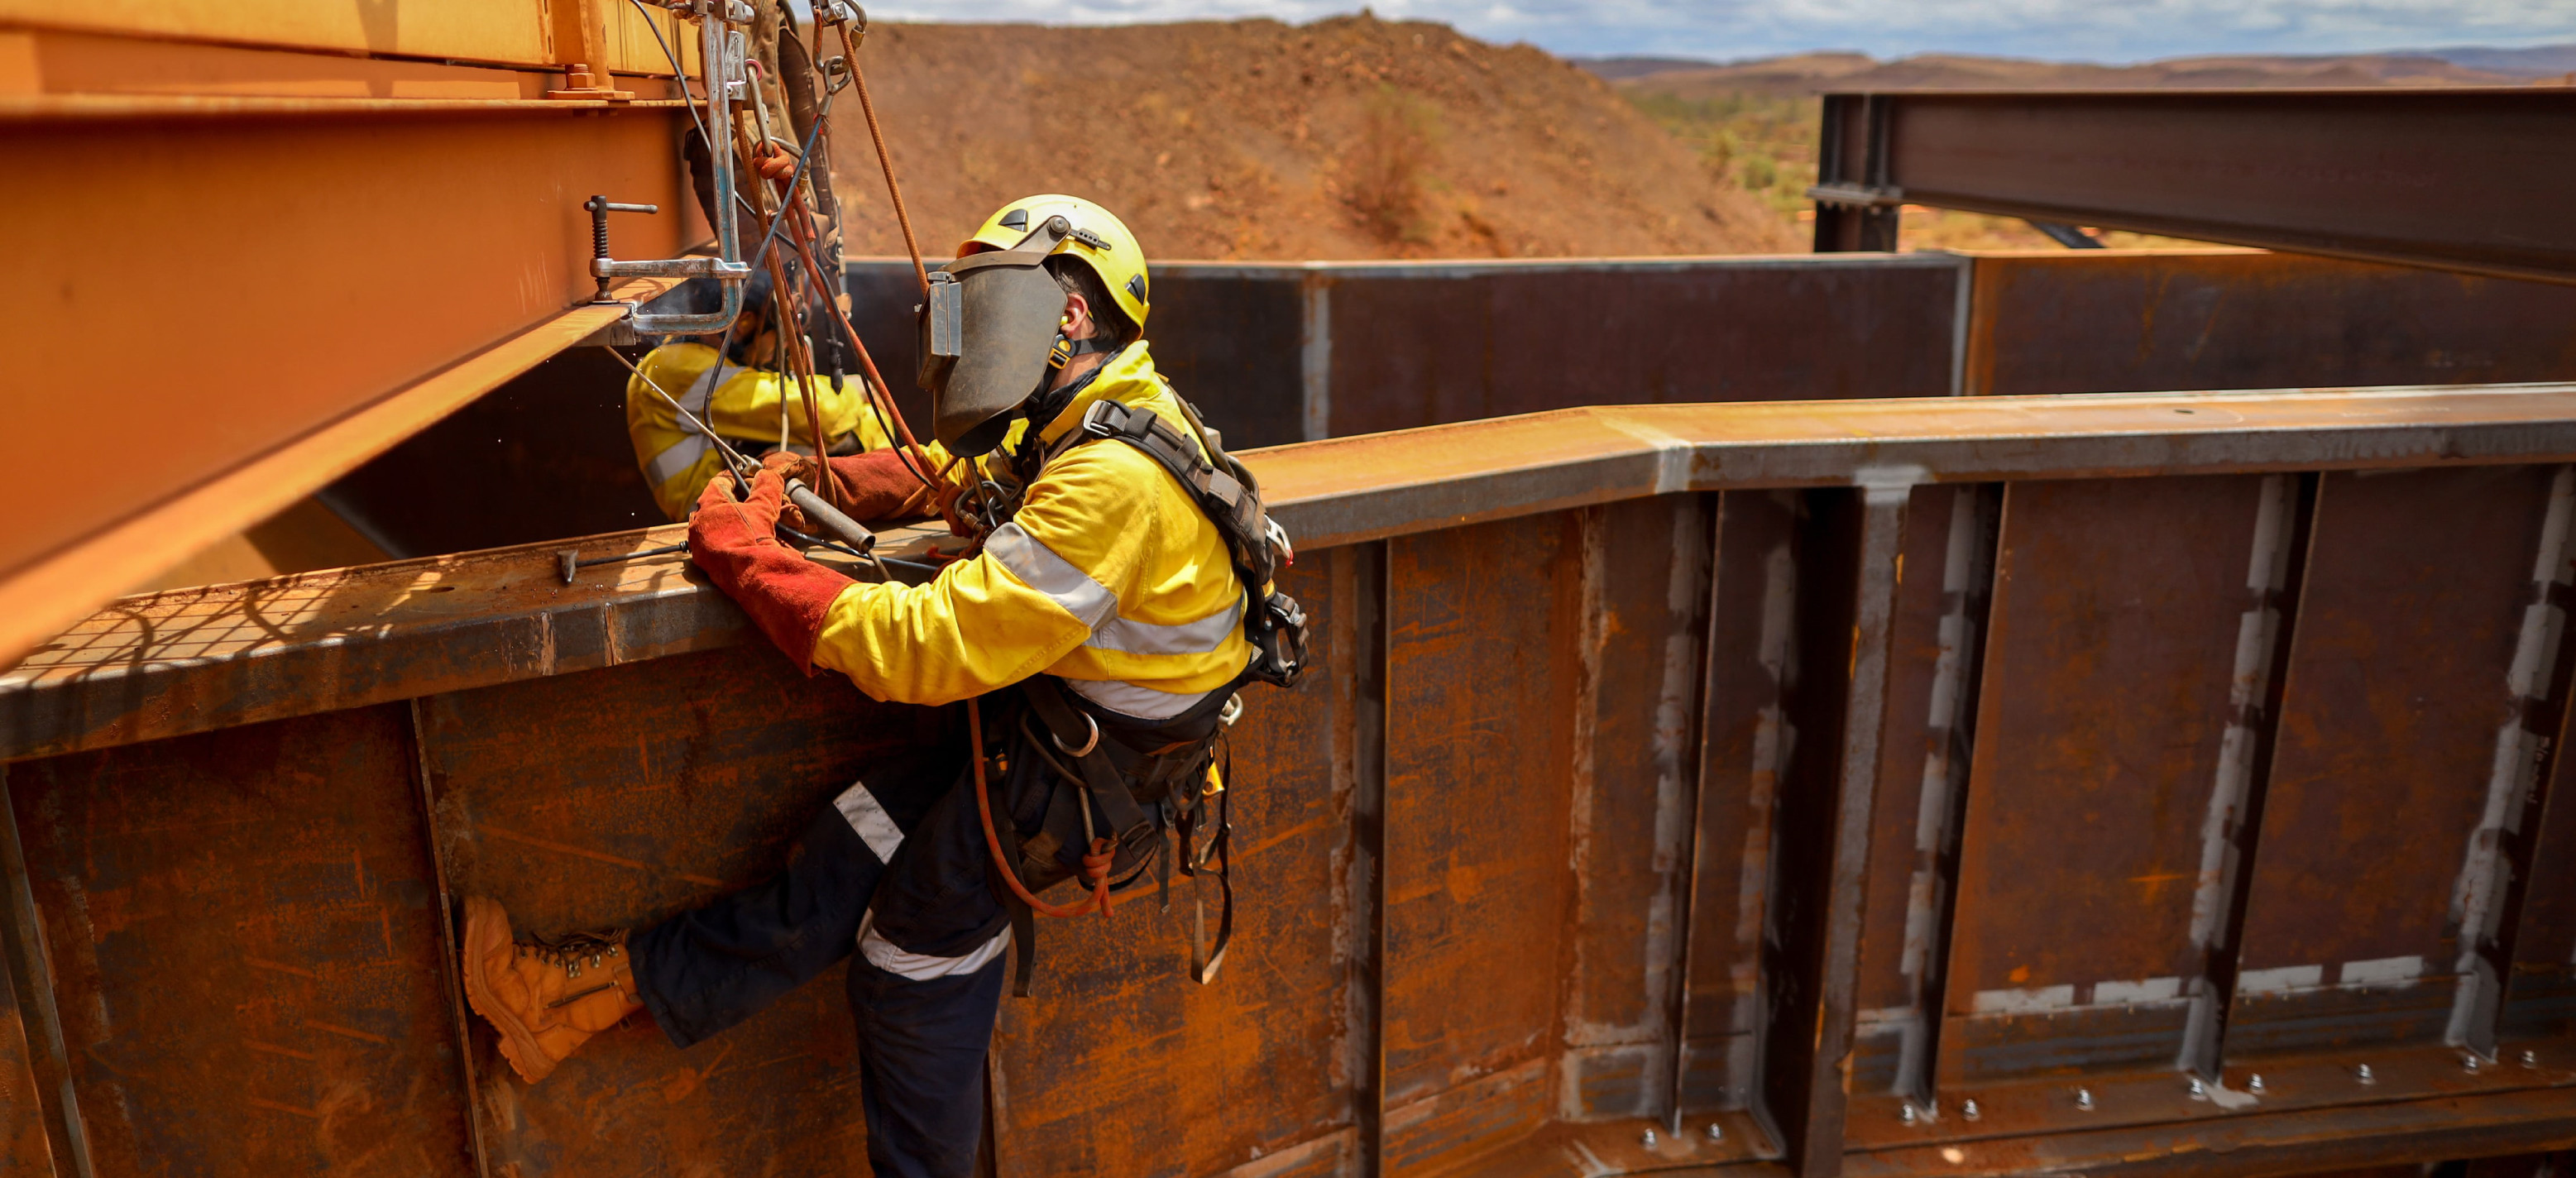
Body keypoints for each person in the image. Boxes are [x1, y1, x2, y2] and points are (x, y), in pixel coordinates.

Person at [459, 195, 1303, 1178]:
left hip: (1084, 780)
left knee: (911, 963)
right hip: (1059, 730)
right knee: (848, 847)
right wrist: (834, 476)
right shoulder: (1090, 417)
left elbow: (923, 648)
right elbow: (969, 472)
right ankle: (566, 1001)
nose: (965, 324)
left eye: (989, 298)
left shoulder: (1111, 479)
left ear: (1068, 314)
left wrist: (749, 560)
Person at [623, 266, 931, 521]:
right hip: (718, 511)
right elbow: (821, 414)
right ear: (744, 324)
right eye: (777, 334)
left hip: (733, 505)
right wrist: (855, 397)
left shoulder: (692, 363)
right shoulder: (673, 369)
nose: (781, 349)